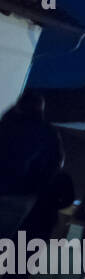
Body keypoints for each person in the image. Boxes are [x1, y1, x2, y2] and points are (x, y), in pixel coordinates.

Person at [1, 170, 74, 279]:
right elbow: (69, 199)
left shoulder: (36, 172)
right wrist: (54, 204)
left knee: (14, 257)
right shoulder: (61, 178)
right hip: (43, 222)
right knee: (27, 262)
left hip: (26, 218)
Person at [0, 92, 64, 239]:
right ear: (41, 109)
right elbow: (56, 163)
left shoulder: (5, 125)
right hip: (21, 194)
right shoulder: (48, 132)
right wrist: (37, 188)